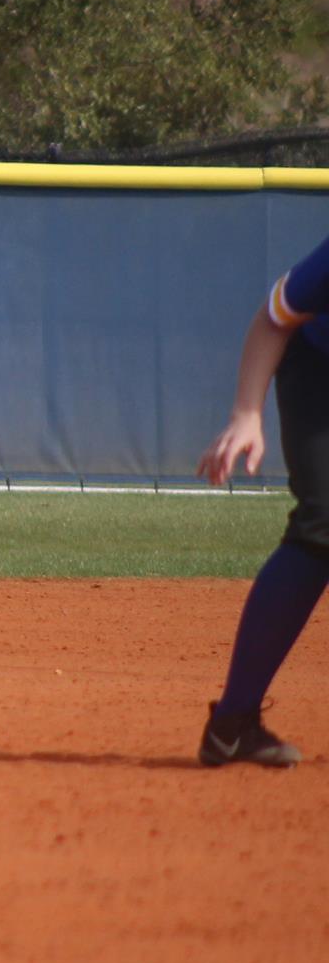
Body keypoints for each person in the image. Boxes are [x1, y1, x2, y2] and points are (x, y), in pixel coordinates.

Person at [193, 234, 329, 767]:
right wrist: (246, 413)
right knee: (323, 524)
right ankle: (233, 723)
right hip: (319, 368)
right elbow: (275, 318)